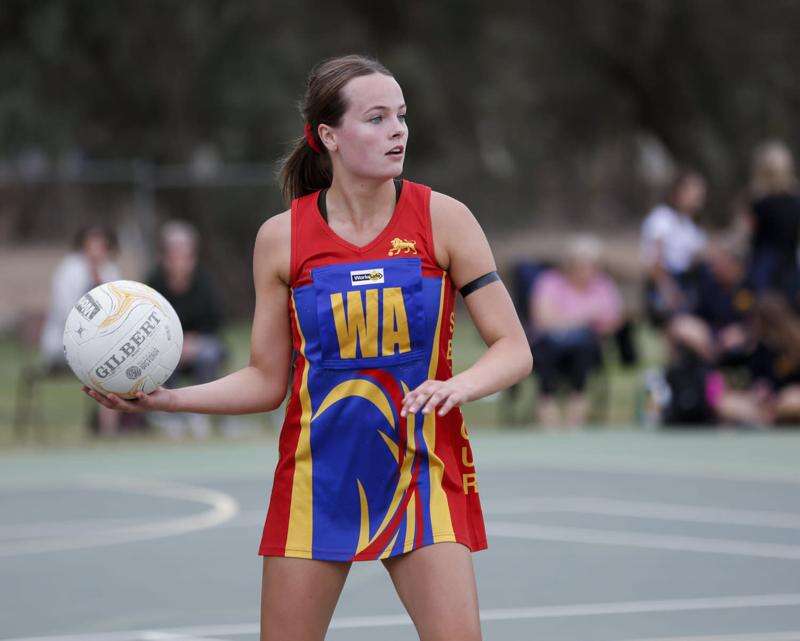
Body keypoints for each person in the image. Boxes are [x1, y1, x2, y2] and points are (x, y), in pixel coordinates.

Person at [83, 54, 532, 641]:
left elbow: (513, 348)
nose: (397, 129)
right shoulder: (281, 238)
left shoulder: (443, 219)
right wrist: (168, 400)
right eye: (375, 118)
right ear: (329, 136)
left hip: (420, 471)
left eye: (401, 115)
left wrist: (457, 385)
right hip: (316, 478)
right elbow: (267, 380)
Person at [528, 235, 623, 427]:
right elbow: (542, 319)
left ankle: (576, 404)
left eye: (591, 265)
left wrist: (567, 322)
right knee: (546, 346)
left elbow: (612, 321)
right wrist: (583, 318)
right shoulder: (550, 282)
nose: (586, 271)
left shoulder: (603, 285)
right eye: (580, 265)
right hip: (550, 346)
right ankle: (547, 403)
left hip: (586, 349)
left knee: (584, 345)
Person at [39, 225, 123, 436]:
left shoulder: (110, 271)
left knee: (120, 361)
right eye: (91, 245)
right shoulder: (69, 270)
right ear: (83, 246)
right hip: (63, 348)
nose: (96, 251)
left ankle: (111, 428)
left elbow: (120, 309)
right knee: (110, 364)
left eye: (101, 245)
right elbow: (67, 314)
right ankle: (107, 429)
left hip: (102, 345)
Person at [146, 220, 226, 438]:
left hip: (200, 343)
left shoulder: (204, 281)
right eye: (174, 253)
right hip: (166, 346)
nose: (180, 259)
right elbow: (145, 323)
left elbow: (215, 321)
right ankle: (169, 415)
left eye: (185, 253)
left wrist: (194, 341)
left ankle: (199, 413)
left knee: (209, 353)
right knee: (156, 358)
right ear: (165, 257)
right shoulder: (154, 282)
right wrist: (174, 345)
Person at [641, 170, 708, 324]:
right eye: (694, 191)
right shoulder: (661, 218)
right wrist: (667, 289)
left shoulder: (692, 226)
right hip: (666, 284)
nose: (698, 197)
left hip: (687, 282)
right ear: (678, 192)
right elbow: (654, 258)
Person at [745, 140, 800, 302]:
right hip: (788, 265)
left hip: (764, 265)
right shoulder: (796, 200)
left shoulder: (758, 201)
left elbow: (750, 233)